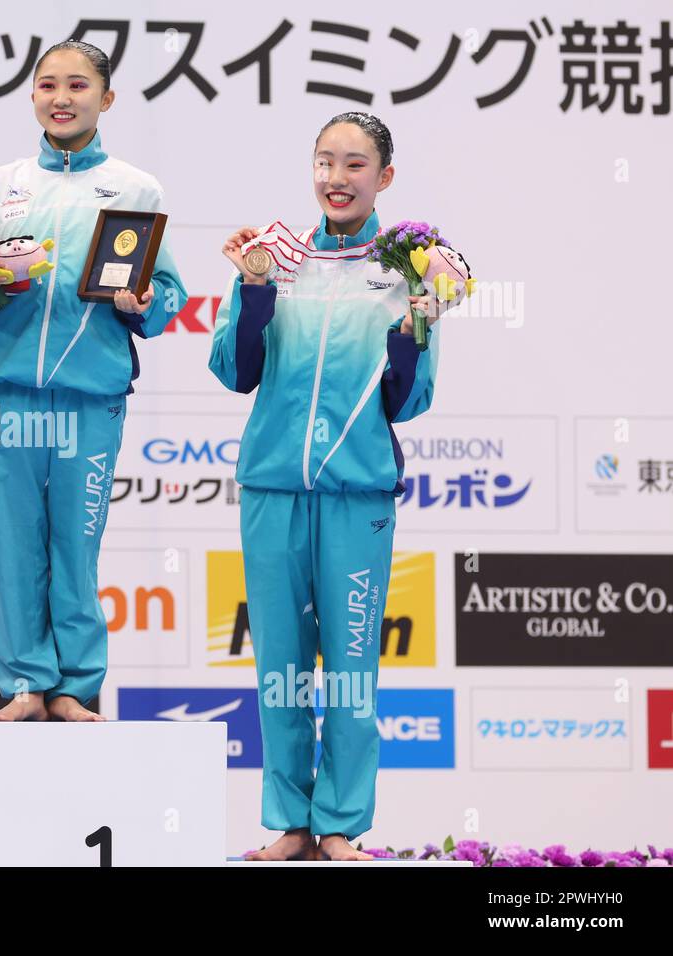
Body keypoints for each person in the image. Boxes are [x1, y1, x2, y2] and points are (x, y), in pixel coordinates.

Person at [0, 40, 187, 721]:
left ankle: (74, 688)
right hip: (7, 390)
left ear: (106, 99)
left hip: (91, 394)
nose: (61, 97)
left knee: (76, 543)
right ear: (31, 96)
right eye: (47, 85)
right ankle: (25, 686)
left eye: (78, 86)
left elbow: (169, 291)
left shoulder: (134, 187)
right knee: (13, 541)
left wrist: (145, 303)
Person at [209, 112, 453, 860]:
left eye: (354, 165)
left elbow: (408, 402)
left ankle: (340, 823)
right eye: (324, 162)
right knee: (278, 667)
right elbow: (234, 370)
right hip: (273, 489)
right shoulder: (273, 256)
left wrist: (415, 327)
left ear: (385, 178)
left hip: (357, 495)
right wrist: (252, 292)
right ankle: (289, 822)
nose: (336, 178)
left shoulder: (413, 270)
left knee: (351, 672)